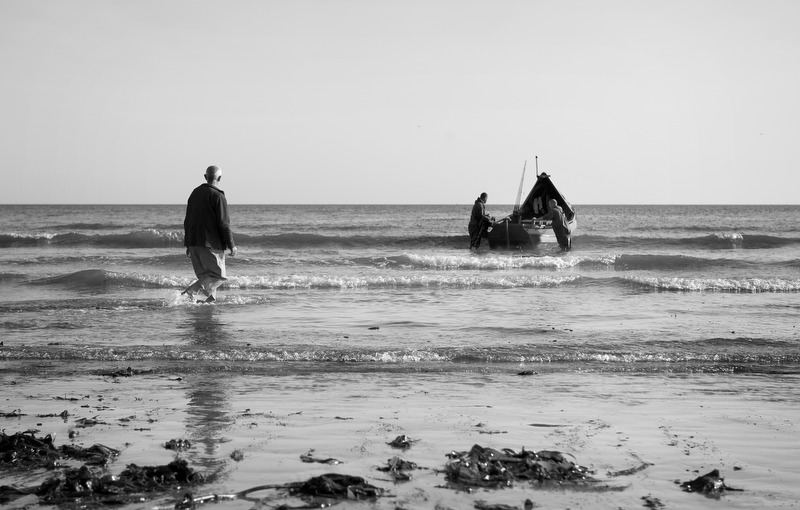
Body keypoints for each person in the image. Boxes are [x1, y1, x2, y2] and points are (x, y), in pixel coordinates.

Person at [182, 165, 237, 303]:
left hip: (194, 243)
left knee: (207, 280)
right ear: (219, 178)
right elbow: (224, 223)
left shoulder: (194, 193)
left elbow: (187, 220)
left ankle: (208, 311)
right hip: (210, 244)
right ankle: (186, 295)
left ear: (205, 177)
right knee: (218, 277)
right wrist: (232, 245)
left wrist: (188, 244)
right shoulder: (218, 196)